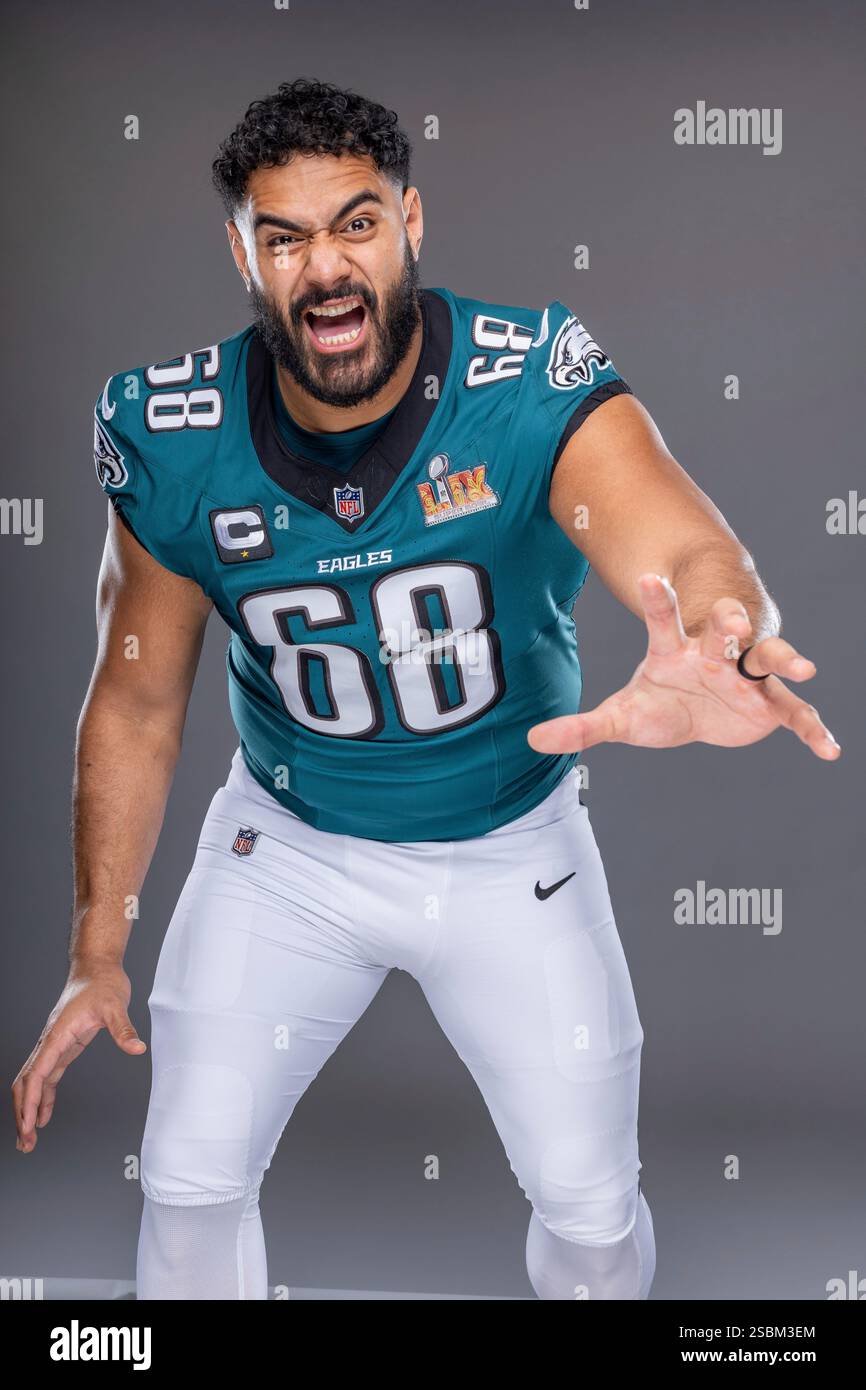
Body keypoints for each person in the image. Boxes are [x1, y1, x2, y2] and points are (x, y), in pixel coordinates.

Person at [12, 78, 839, 1301]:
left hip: (514, 843)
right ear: (240, 250)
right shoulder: (174, 433)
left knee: (593, 1214)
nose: (324, 269)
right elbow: (134, 700)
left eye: (354, 223)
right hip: (286, 848)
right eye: (283, 237)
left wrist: (722, 626)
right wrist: (95, 949)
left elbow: (682, 547)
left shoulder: (522, 382)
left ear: (411, 221)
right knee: (183, 1180)